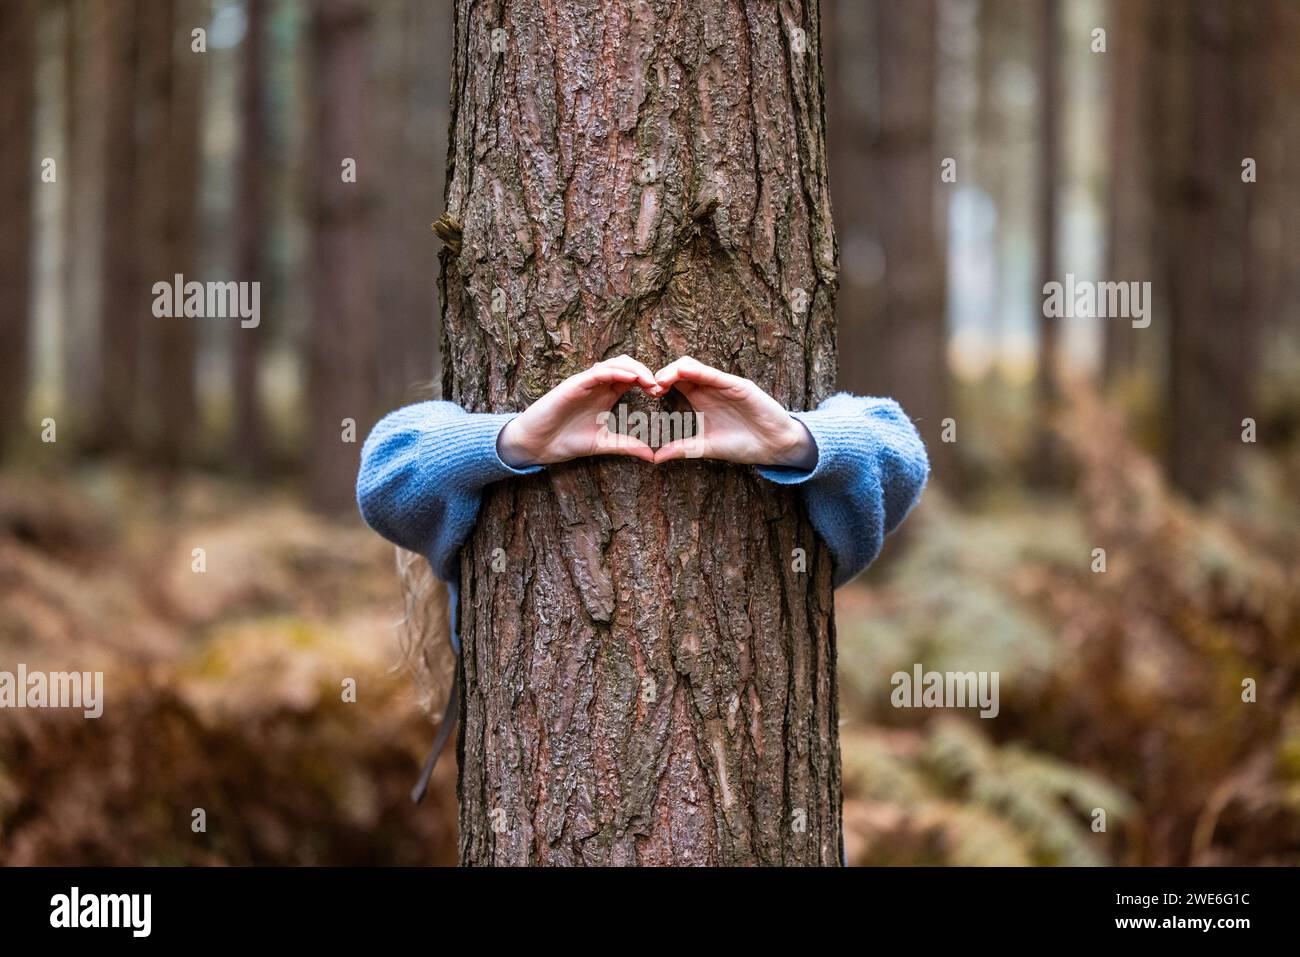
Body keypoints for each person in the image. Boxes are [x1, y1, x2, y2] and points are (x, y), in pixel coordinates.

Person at [356, 354, 930, 803]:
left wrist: (795, 442)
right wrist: (511, 441)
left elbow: (897, 450)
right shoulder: (467, 507)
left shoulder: (812, 495)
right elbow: (387, 466)